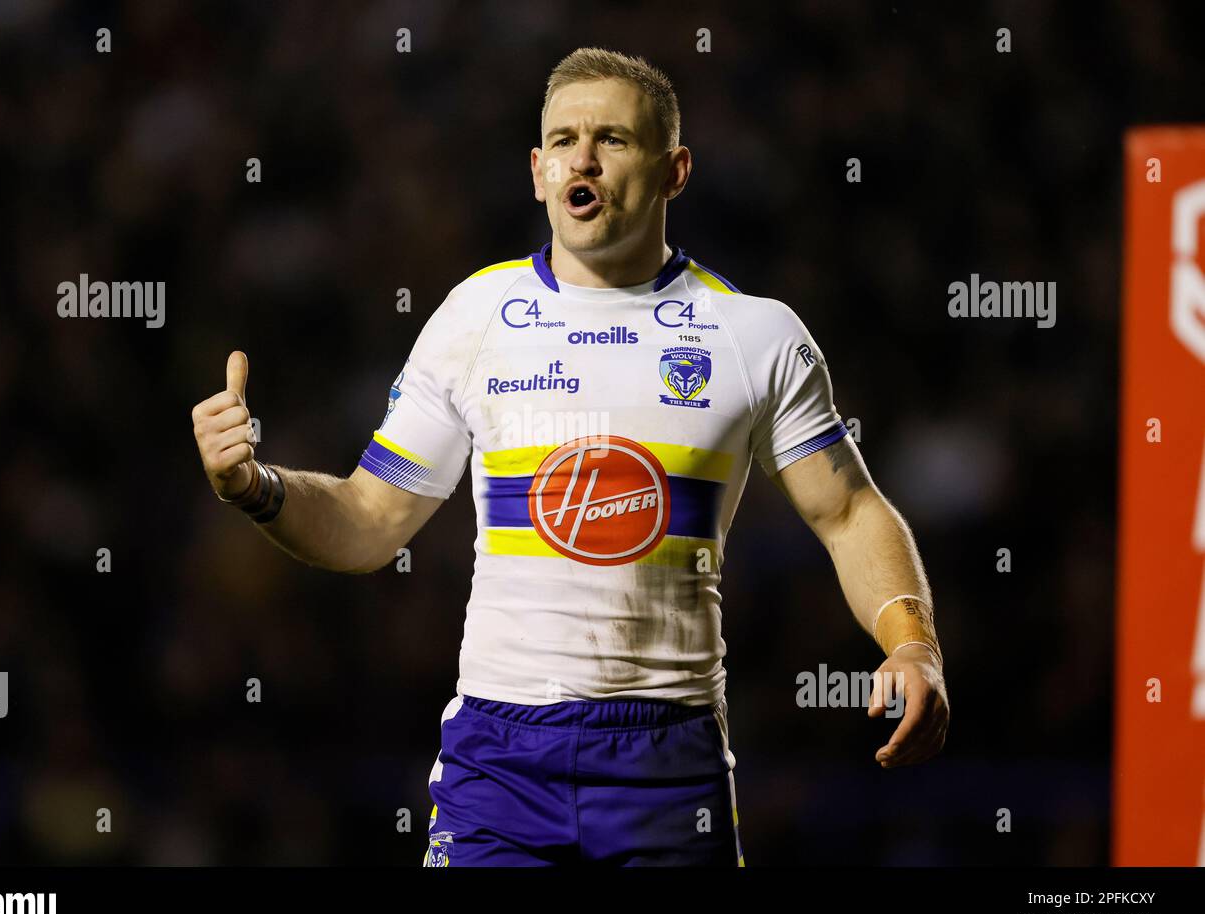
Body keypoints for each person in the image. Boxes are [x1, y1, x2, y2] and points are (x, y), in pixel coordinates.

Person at [190, 47, 949, 866]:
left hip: (668, 759)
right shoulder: (474, 317)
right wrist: (253, 485)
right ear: (537, 169)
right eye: (563, 140)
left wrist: (911, 644)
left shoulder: (753, 334)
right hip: (499, 756)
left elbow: (848, 512)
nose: (581, 158)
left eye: (613, 139)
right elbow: (369, 522)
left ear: (676, 170)